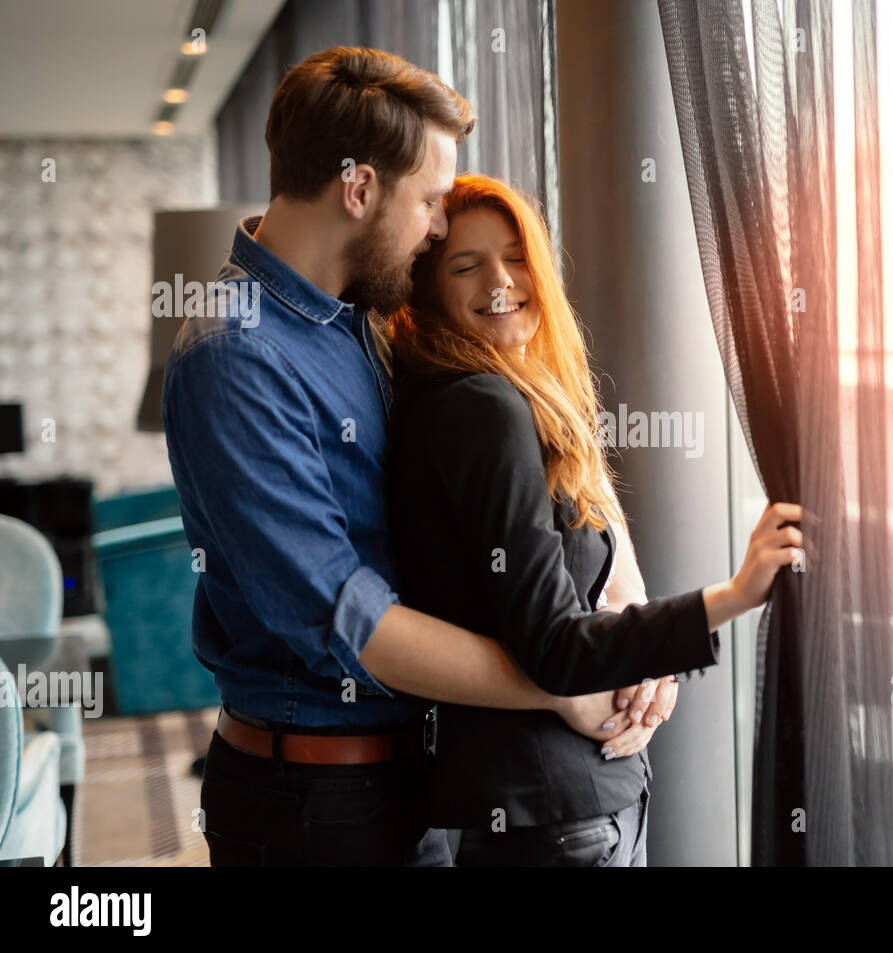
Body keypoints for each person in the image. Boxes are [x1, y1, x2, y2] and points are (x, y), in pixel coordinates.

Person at [161, 47, 733, 867]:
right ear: (358, 189)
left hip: (429, 778)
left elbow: (547, 440)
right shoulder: (235, 358)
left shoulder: (373, 314)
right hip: (313, 807)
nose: (437, 225)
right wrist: (564, 681)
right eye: (429, 200)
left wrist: (624, 616)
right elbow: (348, 622)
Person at [385, 174, 804, 866]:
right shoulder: (483, 408)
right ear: (428, 290)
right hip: (554, 812)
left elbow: (570, 607)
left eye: (515, 256)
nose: (499, 279)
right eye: (466, 264)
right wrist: (730, 598)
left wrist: (648, 663)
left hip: (556, 806)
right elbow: (552, 645)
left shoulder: (498, 398)